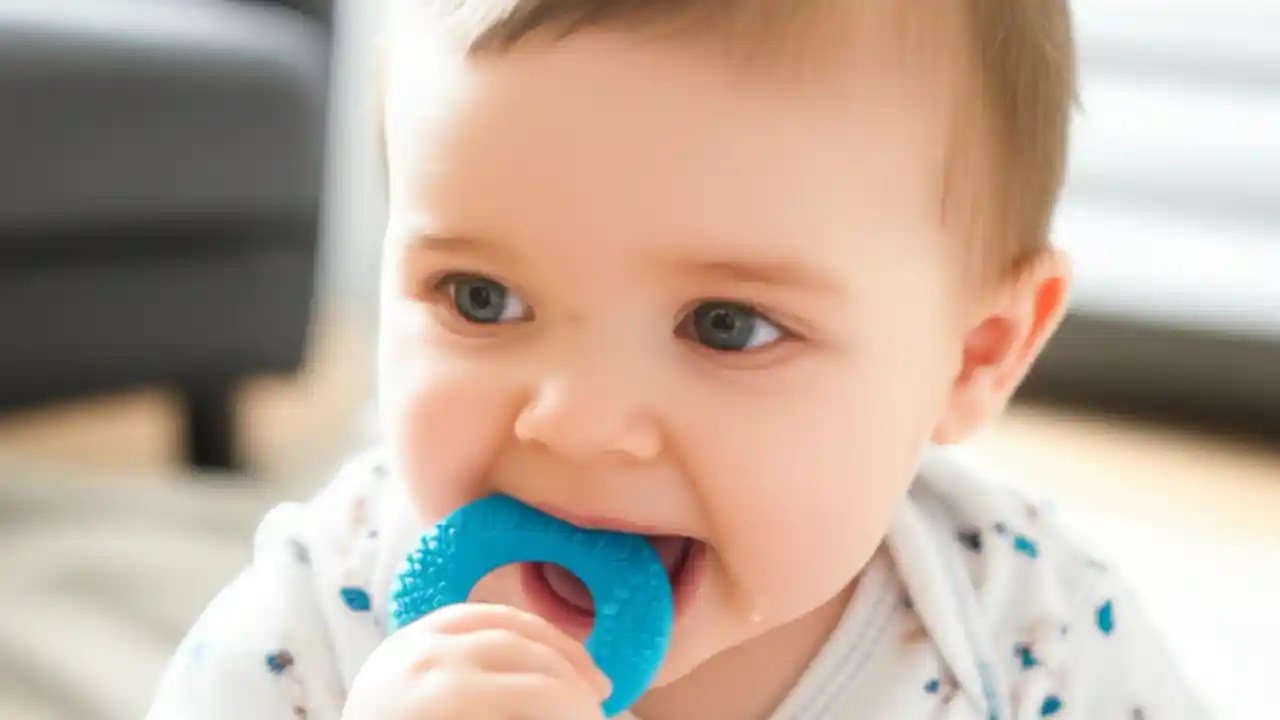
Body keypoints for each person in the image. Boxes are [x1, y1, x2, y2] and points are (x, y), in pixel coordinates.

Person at [148, 1, 1207, 717]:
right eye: (480, 298)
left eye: (725, 326)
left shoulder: (1022, 621)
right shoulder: (325, 615)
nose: (570, 422)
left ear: (972, 356)